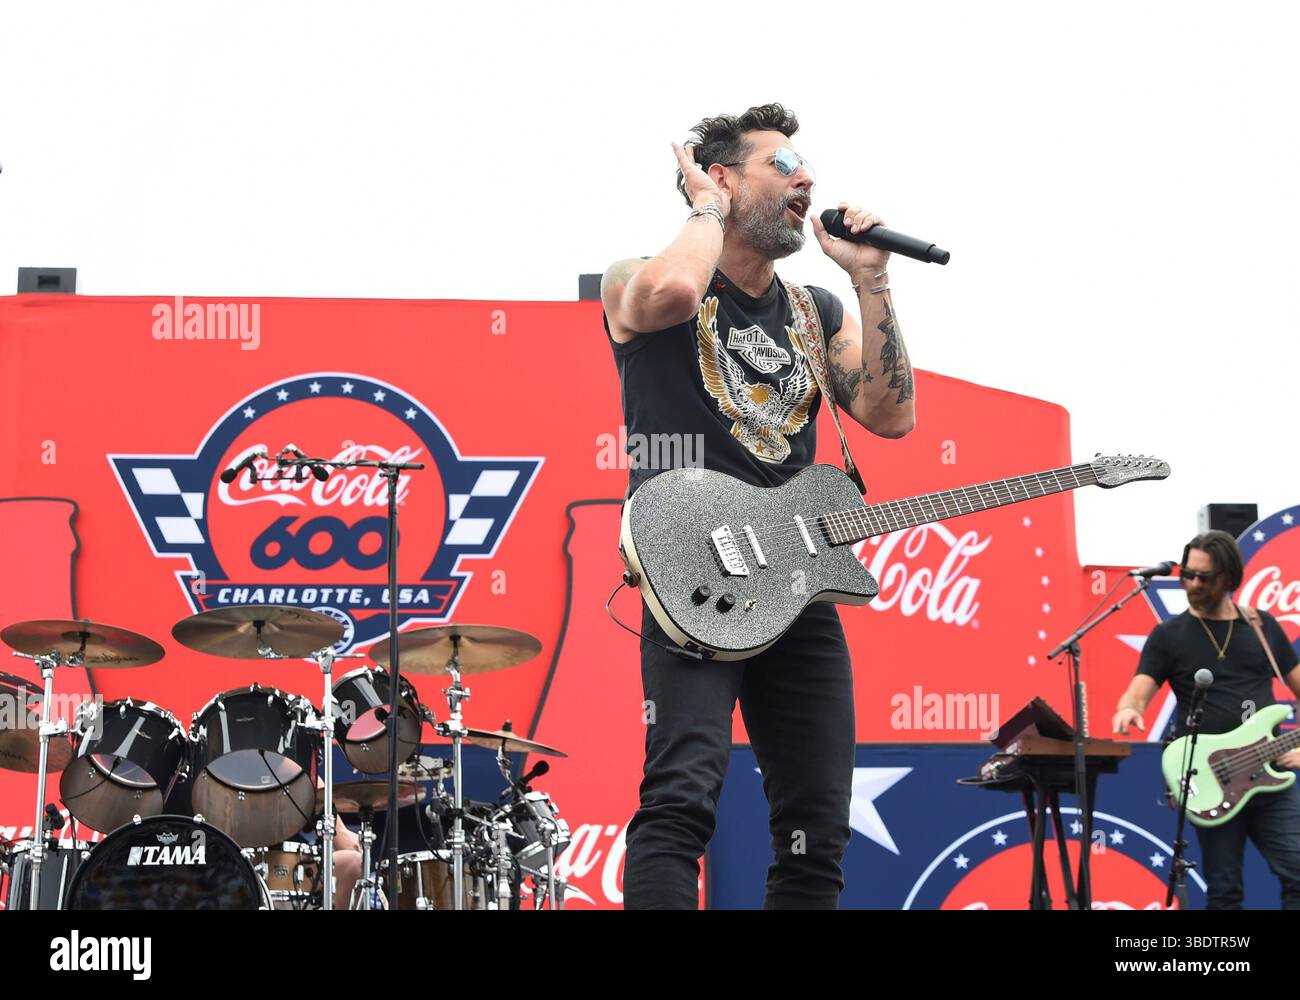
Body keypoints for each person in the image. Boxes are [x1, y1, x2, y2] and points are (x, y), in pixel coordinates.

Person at [601, 103, 916, 909]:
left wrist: (870, 278)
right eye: (782, 165)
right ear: (721, 178)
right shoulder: (635, 278)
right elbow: (675, 288)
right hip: (692, 570)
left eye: (805, 165)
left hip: (798, 584)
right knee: (681, 798)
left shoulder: (814, 312)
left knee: (816, 825)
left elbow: (891, 416)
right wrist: (704, 211)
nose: (806, 176)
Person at [1112, 529, 1300, 908]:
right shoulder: (1169, 635)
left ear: (1229, 578)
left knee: (1298, 872)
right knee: (1224, 889)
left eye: (1204, 577)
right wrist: (1128, 709)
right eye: (1187, 574)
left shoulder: (1261, 627)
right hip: (1210, 778)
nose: (1192, 584)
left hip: (1270, 776)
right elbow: (1139, 689)